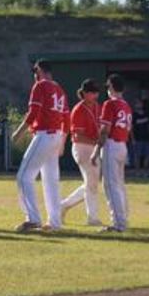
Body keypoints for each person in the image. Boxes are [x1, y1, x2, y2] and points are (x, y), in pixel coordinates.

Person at [13, 59, 68, 233]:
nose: (34, 75)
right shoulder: (59, 89)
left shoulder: (40, 85)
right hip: (56, 135)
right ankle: (55, 222)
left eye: (35, 71)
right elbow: (66, 118)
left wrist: (19, 132)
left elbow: (33, 112)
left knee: (23, 176)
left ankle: (33, 219)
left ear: (39, 70)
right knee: (51, 181)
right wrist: (63, 141)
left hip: (44, 135)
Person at [59, 79, 102, 226]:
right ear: (84, 93)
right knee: (92, 183)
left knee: (92, 183)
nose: (95, 95)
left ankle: (63, 206)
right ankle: (93, 218)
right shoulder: (78, 109)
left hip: (94, 148)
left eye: (96, 92)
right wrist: (97, 143)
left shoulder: (98, 106)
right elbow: (78, 135)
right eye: (91, 92)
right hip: (82, 147)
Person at [92, 74, 132, 233]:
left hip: (111, 145)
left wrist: (95, 151)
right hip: (122, 145)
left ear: (112, 87)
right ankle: (123, 219)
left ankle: (118, 223)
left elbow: (104, 130)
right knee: (119, 185)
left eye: (108, 87)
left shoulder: (110, 104)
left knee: (110, 185)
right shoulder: (126, 105)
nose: (107, 90)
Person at [130, 99, 149, 173]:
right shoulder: (133, 115)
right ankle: (137, 171)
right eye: (137, 103)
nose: (139, 105)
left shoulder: (147, 114)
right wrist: (132, 138)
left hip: (146, 138)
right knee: (137, 156)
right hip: (137, 139)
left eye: (140, 103)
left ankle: (145, 171)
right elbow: (131, 128)